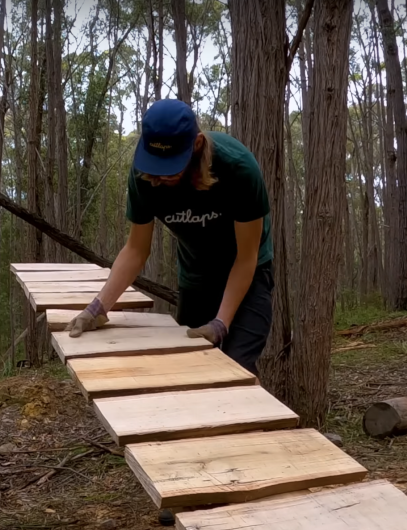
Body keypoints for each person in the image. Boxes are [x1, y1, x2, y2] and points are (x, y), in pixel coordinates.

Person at [65, 99, 273, 374]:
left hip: (248, 273)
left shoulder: (238, 168)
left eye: (170, 166)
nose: (159, 176)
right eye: (155, 165)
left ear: (197, 144)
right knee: (188, 365)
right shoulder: (143, 176)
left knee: (236, 367)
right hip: (196, 275)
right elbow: (136, 249)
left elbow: (247, 258)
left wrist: (220, 323)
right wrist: (97, 307)